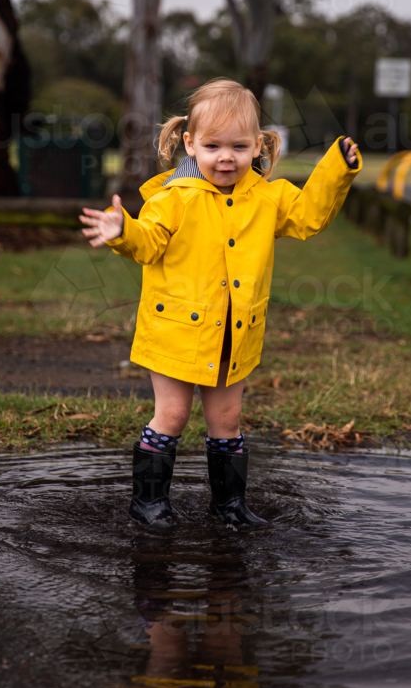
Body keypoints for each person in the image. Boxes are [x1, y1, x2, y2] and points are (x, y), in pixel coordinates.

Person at [80, 79, 361, 527]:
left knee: (227, 421)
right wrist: (123, 230)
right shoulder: (173, 198)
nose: (226, 157)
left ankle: (229, 505)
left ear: (259, 146)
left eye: (239, 146)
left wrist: (337, 170)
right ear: (190, 144)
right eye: (212, 145)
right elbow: (148, 243)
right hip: (176, 332)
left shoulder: (269, 198)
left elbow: (310, 214)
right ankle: (148, 503)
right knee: (172, 414)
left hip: (234, 336)